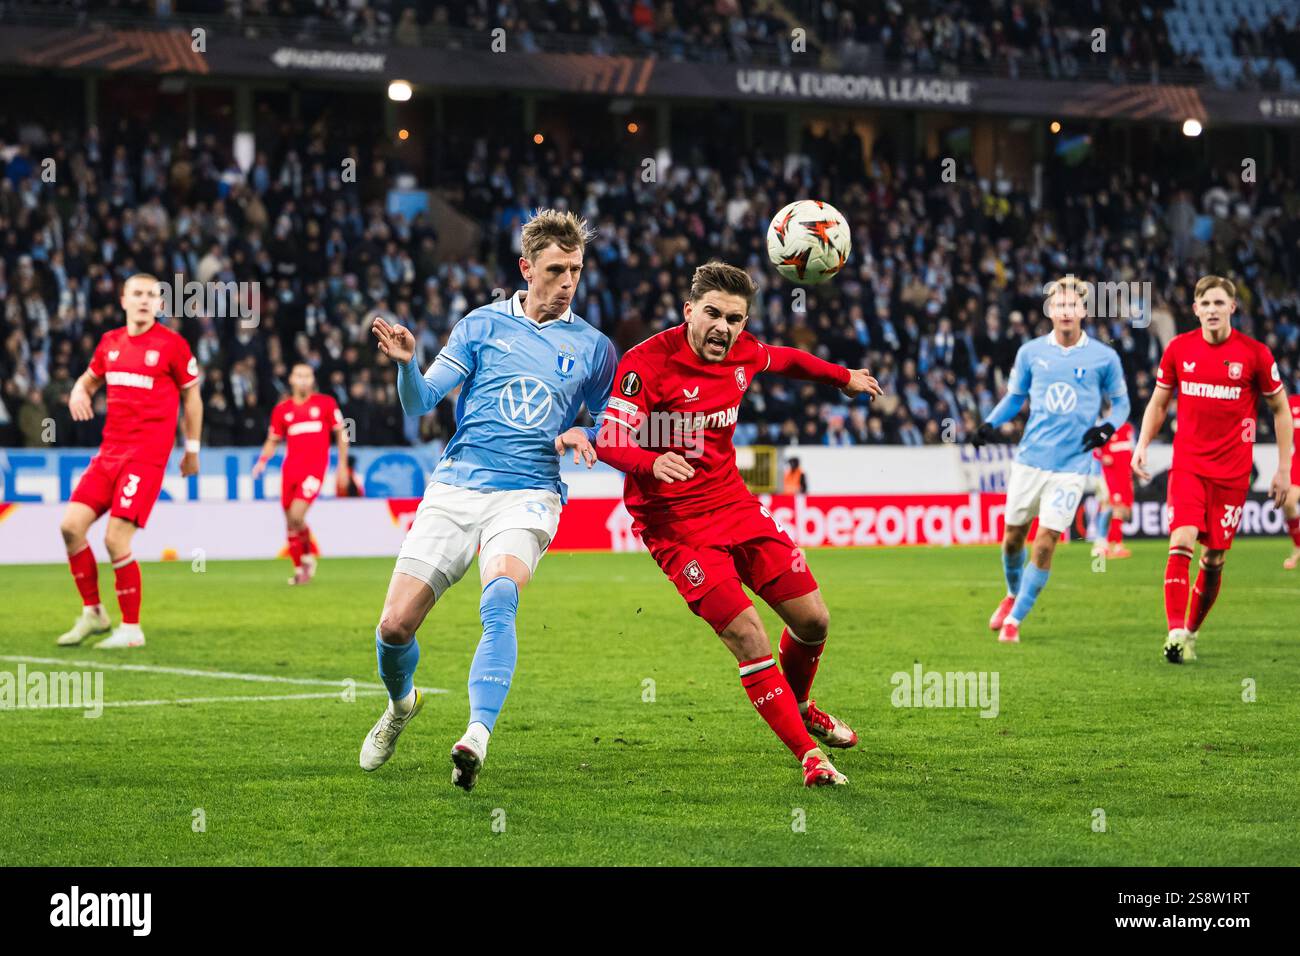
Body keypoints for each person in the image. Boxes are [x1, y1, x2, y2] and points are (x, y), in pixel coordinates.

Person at [596, 260, 882, 788]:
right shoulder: (646, 363)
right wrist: (649, 461)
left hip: (737, 508)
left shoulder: (743, 352)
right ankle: (808, 756)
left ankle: (798, 704)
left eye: (735, 319)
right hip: (677, 528)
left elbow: (788, 360)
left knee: (814, 621)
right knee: (750, 636)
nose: (723, 328)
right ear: (689, 311)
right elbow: (609, 440)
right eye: (712, 314)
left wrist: (844, 378)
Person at [358, 209, 617, 791]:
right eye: (556, 270)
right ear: (526, 268)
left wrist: (586, 434)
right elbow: (420, 402)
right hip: (457, 486)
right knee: (396, 626)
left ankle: (476, 734)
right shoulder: (479, 325)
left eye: (576, 269)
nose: (569, 281)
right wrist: (406, 366)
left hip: (529, 491)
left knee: (500, 595)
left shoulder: (595, 348)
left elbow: (609, 422)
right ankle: (401, 707)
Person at [1132, 275, 1293, 663]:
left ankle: (1190, 631)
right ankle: (1173, 632)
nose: (1212, 310)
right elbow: (1158, 403)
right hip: (1188, 465)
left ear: (1233, 308)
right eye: (1206, 304)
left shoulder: (1255, 355)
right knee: (1182, 537)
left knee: (1215, 558)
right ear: (1195, 310)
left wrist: (1283, 468)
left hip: (1234, 474)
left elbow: (1281, 410)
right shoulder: (1178, 349)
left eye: (1220, 303)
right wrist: (1142, 444)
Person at [971, 276, 1130, 643]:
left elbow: (1121, 403)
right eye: (1059, 305)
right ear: (1050, 311)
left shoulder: (1104, 358)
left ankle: (1015, 621)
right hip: (1030, 460)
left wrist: (1107, 428)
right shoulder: (1031, 353)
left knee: (1045, 541)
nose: (1065, 311)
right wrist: (990, 424)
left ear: (1084, 310)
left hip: (1072, 465)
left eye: (1072, 305)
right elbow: (1014, 397)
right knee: (1013, 539)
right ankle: (1012, 595)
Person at [56, 273, 203, 649]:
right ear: (122, 299)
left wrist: (192, 449)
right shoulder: (110, 344)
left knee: (114, 538)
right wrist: (78, 392)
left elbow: (192, 399)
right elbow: (88, 380)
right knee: (71, 526)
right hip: (108, 455)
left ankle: (132, 628)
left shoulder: (172, 346)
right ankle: (94, 612)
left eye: (151, 295)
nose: (143, 300)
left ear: (160, 303)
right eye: (136, 293)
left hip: (146, 458)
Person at [251, 363, 349, 584]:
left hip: (314, 470)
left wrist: (342, 466)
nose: (303, 379)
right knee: (290, 521)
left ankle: (306, 556)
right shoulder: (282, 410)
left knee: (297, 515)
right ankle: (300, 568)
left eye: (307, 375)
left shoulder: (325, 404)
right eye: (299, 375)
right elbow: (273, 440)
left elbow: (341, 434)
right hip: (291, 470)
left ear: (312, 379)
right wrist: (262, 461)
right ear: (292, 380)